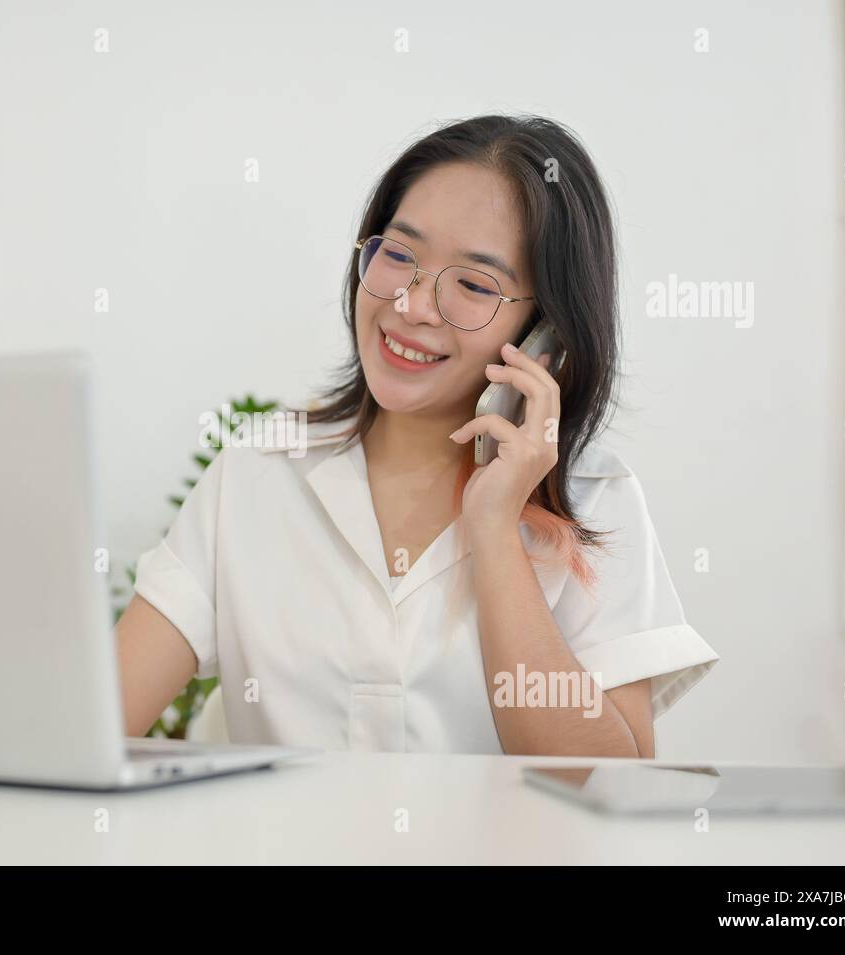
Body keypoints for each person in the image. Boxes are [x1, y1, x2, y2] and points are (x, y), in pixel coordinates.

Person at [115, 114, 718, 756]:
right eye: (398, 254)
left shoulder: (598, 500)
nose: (409, 305)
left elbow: (607, 781)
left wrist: (493, 527)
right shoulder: (259, 468)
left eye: (472, 285)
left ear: (545, 333)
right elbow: (92, 731)